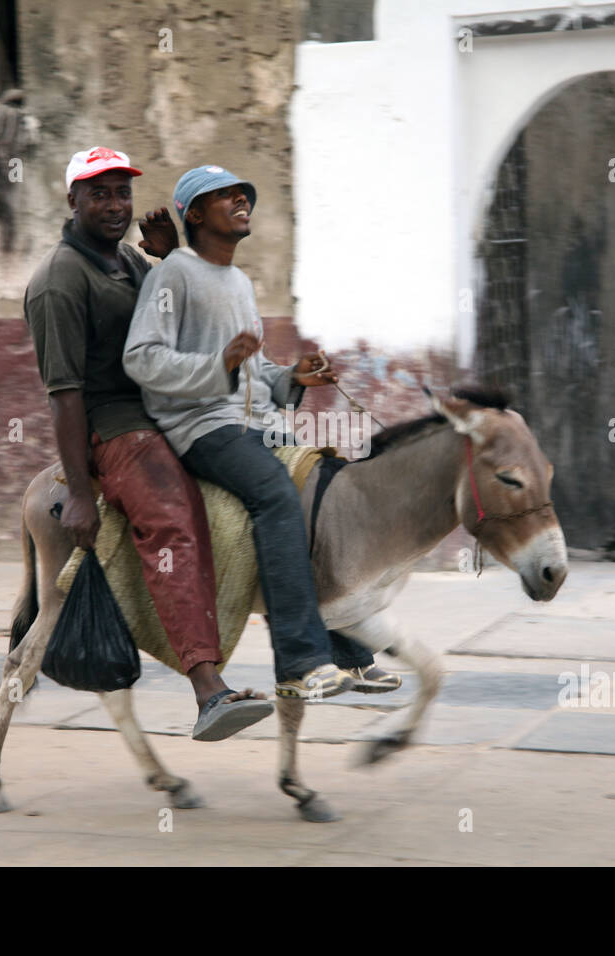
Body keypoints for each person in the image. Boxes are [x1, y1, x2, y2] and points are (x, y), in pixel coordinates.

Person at [124, 164, 401, 699]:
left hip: (255, 423)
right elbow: (142, 358)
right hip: (202, 427)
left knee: (324, 493)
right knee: (276, 496)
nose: (241, 201)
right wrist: (215, 364)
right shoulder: (173, 274)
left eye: (243, 195)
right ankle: (299, 664)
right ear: (195, 214)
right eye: (225, 196)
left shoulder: (239, 281)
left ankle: (347, 653)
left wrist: (291, 376)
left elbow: (253, 372)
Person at [23, 146, 272, 740]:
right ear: (72, 201)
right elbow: (64, 394)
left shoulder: (132, 263)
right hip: (115, 424)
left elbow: (170, 321)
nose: (115, 205)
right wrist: (81, 491)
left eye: (122, 193)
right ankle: (208, 689)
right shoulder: (58, 281)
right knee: (174, 519)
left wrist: (166, 258)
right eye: (100, 193)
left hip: (171, 408)